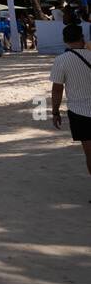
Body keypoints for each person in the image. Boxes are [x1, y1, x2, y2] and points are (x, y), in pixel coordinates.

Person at [51, 23, 91, 189]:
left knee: (90, 153)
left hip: (79, 112)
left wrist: (55, 112)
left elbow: (57, 89)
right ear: (82, 37)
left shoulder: (61, 60)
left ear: (64, 40)